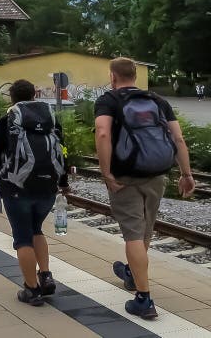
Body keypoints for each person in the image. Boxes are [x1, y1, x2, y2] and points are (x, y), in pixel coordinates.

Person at [95, 58, 195, 319]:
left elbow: (103, 134)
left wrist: (106, 173)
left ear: (113, 77)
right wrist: (186, 173)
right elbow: (178, 138)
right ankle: (132, 273)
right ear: (135, 75)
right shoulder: (157, 101)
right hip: (157, 175)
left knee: (133, 235)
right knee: (145, 230)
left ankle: (144, 299)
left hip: (124, 177)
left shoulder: (109, 100)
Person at [0, 79, 68, 306]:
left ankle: (31, 290)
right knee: (36, 229)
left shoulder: (6, 122)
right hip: (47, 188)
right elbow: (62, 152)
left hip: (16, 189)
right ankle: (45, 275)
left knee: (22, 237)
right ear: (35, 95)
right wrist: (63, 183)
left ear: (12, 97)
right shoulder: (51, 121)